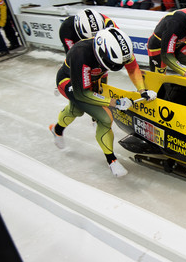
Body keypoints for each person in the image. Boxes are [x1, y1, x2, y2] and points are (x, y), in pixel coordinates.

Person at [50, 27, 156, 178]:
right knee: (103, 116)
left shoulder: (122, 49)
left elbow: (132, 69)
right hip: (69, 81)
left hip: (91, 79)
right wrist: (115, 102)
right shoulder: (80, 53)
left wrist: (142, 90)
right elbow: (82, 94)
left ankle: (57, 130)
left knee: (77, 110)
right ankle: (111, 160)